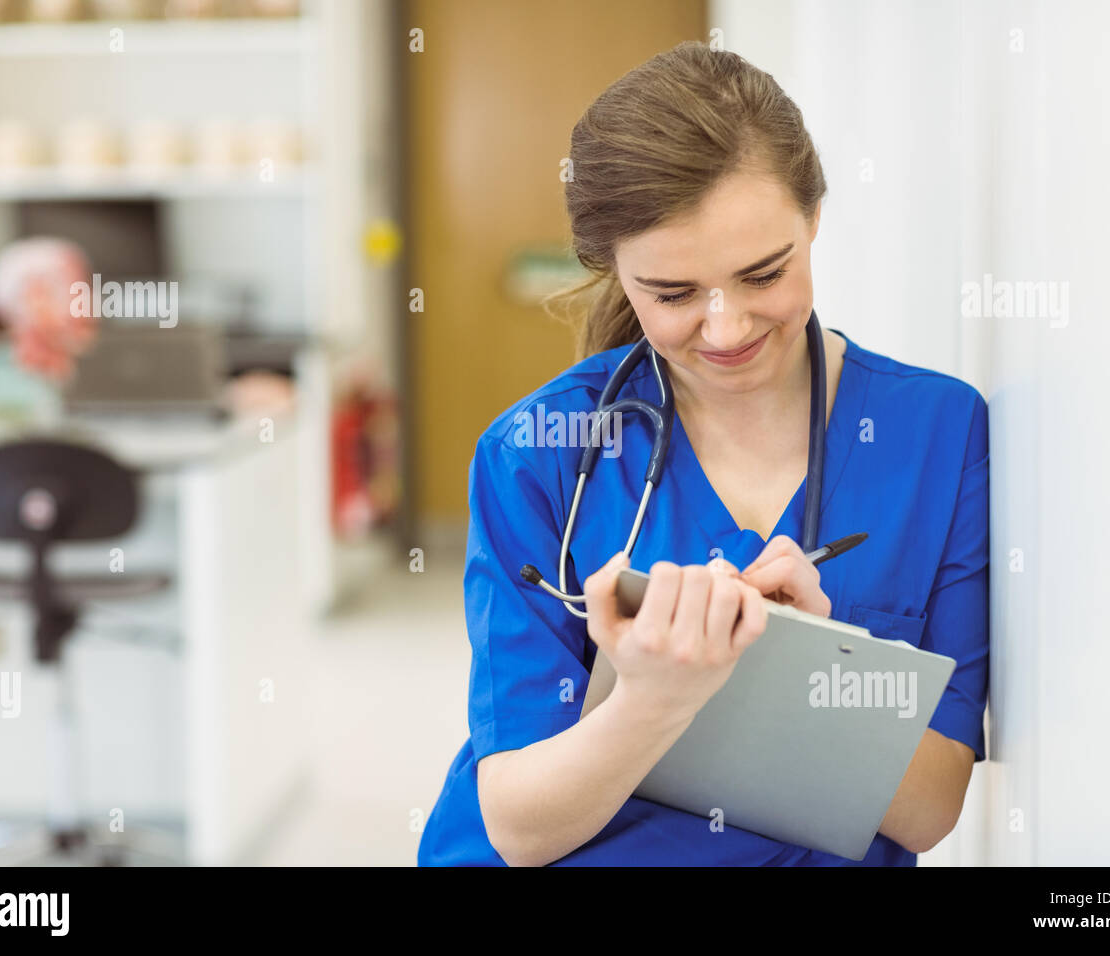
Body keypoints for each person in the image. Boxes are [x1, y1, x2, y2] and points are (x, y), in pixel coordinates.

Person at [418, 41, 988, 867]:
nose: (725, 329)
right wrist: (655, 698)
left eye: (763, 275)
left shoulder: (939, 434)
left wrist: (801, 678)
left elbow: (931, 809)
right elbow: (518, 828)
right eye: (673, 294)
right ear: (617, 270)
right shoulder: (539, 454)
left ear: (815, 219)